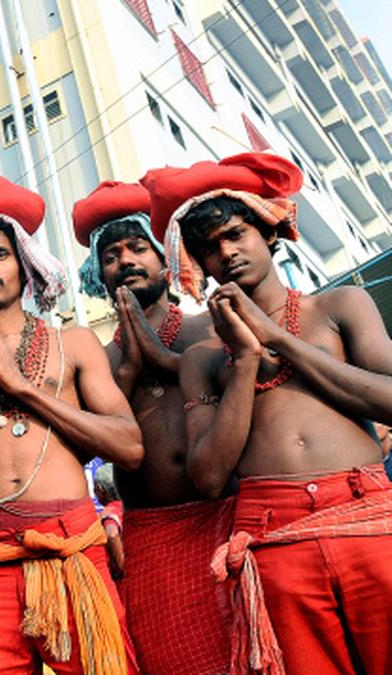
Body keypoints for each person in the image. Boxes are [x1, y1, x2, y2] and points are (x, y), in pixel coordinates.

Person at [143, 152, 392, 674]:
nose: (227, 253)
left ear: (269, 233)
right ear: (199, 266)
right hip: (273, 536)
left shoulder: (339, 307)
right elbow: (209, 476)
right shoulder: (204, 357)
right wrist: (245, 362)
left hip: (368, 516)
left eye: (237, 234)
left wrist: (277, 337)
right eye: (210, 248)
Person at [0, 176, 143, 675]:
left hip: (72, 551)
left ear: (24, 264)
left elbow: (129, 446)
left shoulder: (74, 345)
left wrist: (25, 390)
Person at [72, 180, 230, 673]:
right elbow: (93, 439)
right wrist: (124, 375)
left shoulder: (208, 326)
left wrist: (167, 359)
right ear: (99, 275)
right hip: (149, 538)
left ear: (165, 260)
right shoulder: (100, 358)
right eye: (112, 255)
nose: (126, 261)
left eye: (138, 247)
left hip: (224, 516)